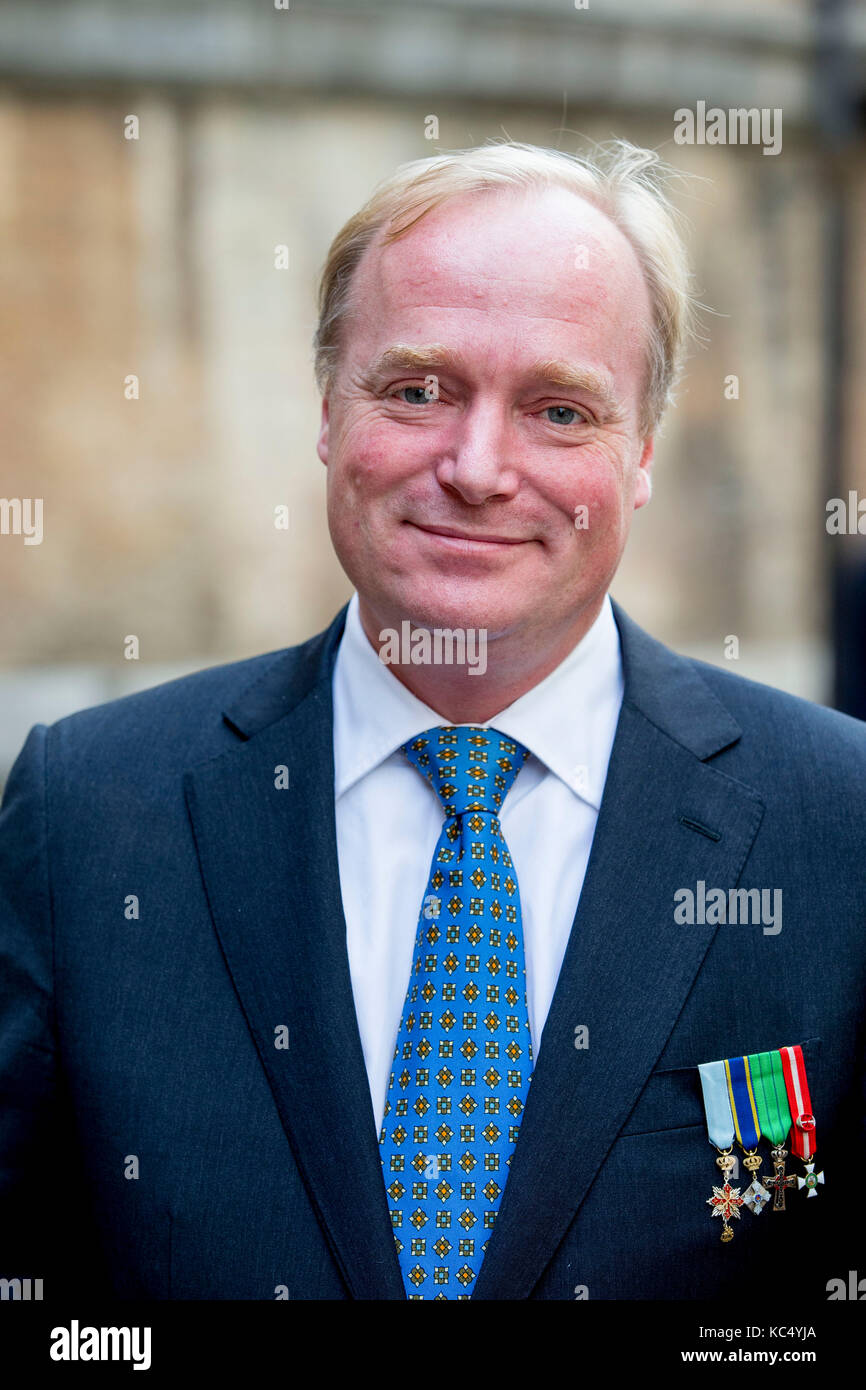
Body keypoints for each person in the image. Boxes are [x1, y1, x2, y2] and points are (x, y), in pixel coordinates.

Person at [1, 141, 863, 1302]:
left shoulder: (837, 824)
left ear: (640, 450)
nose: (475, 466)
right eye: (417, 389)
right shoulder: (89, 814)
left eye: (559, 410)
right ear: (325, 411)